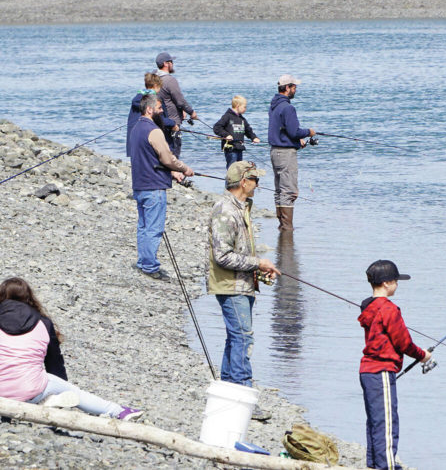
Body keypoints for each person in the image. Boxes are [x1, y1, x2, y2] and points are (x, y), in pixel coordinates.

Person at [0, 277, 142, 420]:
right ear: (29, 297)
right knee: (74, 391)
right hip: (29, 389)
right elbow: (54, 362)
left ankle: (31, 400)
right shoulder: (43, 323)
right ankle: (118, 411)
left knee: (31, 382)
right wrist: (60, 388)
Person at [207, 160, 281, 421]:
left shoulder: (242, 208)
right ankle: (242, 397)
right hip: (231, 286)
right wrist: (257, 262)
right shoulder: (225, 210)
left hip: (243, 284)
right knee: (242, 338)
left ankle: (228, 393)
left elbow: (239, 252)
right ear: (243, 182)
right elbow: (222, 256)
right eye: (255, 180)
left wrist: (258, 269)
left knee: (235, 337)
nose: (258, 184)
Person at [358, 260, 432, 470]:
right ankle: (386, 466)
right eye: (396, 281)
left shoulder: (369, 306)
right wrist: (422, 356)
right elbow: (404, 342)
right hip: (380, 370)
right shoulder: (389, 309)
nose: (397, 285)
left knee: (375, 419)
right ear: (387, 283)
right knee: (387, 422)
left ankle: (374, 464)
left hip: (367, 371)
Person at [129, 93, 193, 280]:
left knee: (143, 226)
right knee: (154, 228)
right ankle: (149, 266)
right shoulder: (154, 131)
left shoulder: (135, 128)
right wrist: (184, 168)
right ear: (149, 109)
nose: (161, 112)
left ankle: (143, 262)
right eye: (158, 108)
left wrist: (173, 172)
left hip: (139, 185)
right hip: (154, 186)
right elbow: (167, 158)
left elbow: (148, 157)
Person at [267, 74, 315, 231]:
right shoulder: (288, 108)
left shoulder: (274, 105)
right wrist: (308, 132)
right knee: (289, 191)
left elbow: (283, 130)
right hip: (286, 154)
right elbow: (294, 131)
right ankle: (287, 229)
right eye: (294, 87)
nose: (295, 90)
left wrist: (296, 141)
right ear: (287, 88)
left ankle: (282, 227)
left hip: (275, 152)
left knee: (280, 190)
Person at [155, 52, 198, 158]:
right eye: (171, 62)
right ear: (166, 63)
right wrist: (191, 112)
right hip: (172, 121)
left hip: (160, 120)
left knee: (163, 152)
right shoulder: (170, 80)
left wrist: (182, 110)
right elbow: (180, 100)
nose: (172, 64)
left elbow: (168, 98)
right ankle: (173, 173)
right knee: (174, 152)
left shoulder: (154, 79)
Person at [212, 95, 261, 168]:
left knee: (240, 170)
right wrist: (226, 135)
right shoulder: (227, 116)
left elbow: (248, 130)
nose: (245, 109)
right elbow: (217, 127)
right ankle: (229, 180)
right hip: (230, 149)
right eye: (244, 107)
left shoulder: (242, 119)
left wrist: (253, 137)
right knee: (232, 170)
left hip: (239, 148)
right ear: (238, 106)